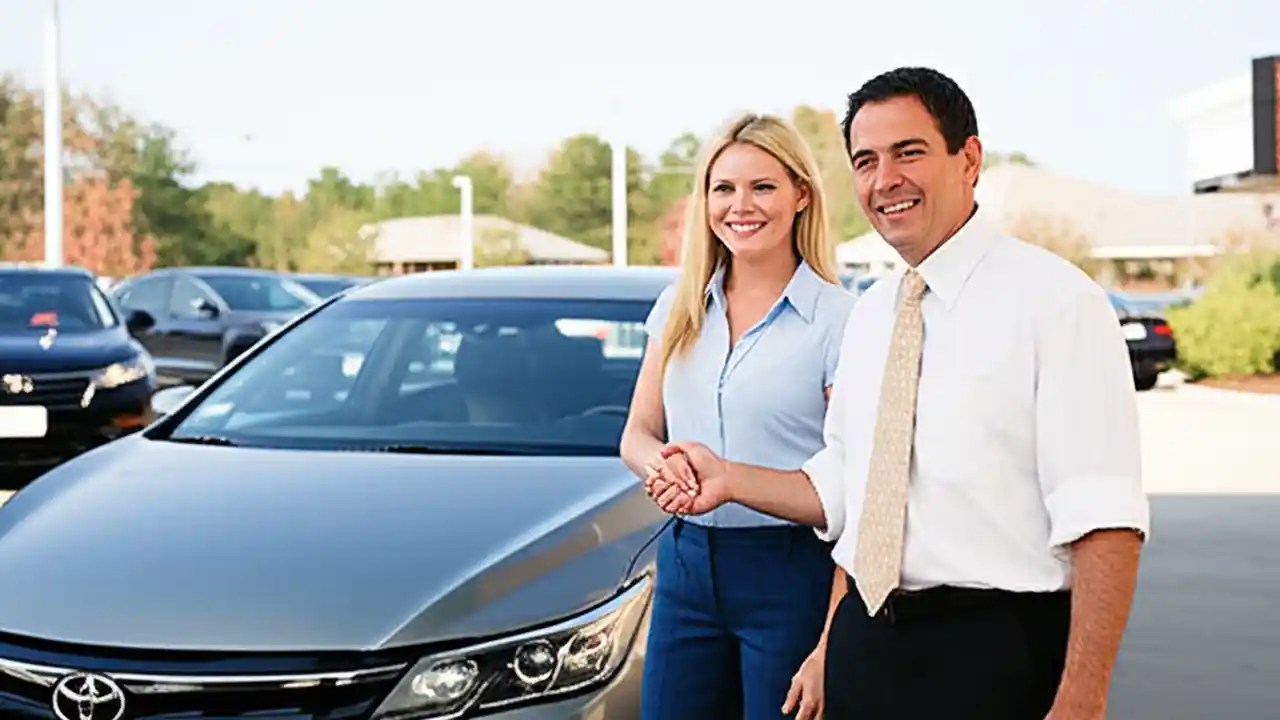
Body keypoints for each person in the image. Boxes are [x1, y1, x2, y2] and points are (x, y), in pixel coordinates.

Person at [649, 67, 1150, 720]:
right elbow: (852, 497)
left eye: (908, 152)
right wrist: (729, 480)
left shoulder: (1057, 303)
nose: (886, 180)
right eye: (866, 161)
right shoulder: (874, 311)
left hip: (995, 649)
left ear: (968, 159)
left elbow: (1105, 518)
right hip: (869, 643)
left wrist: (1083, 696)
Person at [620, 112, 858, 720]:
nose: (739, 205)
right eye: (723, 188)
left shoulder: (841, 321)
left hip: (790, 573)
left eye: (763, 186)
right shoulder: (676, 306)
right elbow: (638, 435)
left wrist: (832, 644)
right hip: (684, 567)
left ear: (802, 195)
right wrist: (664, 468)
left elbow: (855, 493)